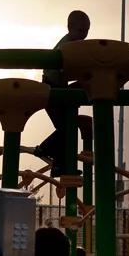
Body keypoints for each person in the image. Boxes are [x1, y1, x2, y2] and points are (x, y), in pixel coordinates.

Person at [33, 10, 91, 173]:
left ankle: (60, 166)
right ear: (70, 28)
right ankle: (44, 149)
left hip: (58, 88)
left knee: (66, 128)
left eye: (86, 31)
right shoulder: (67, 47)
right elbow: (66, 69)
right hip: (52, 89)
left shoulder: (72, 45)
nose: (83, 35)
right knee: (67, 128)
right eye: (80, 31)